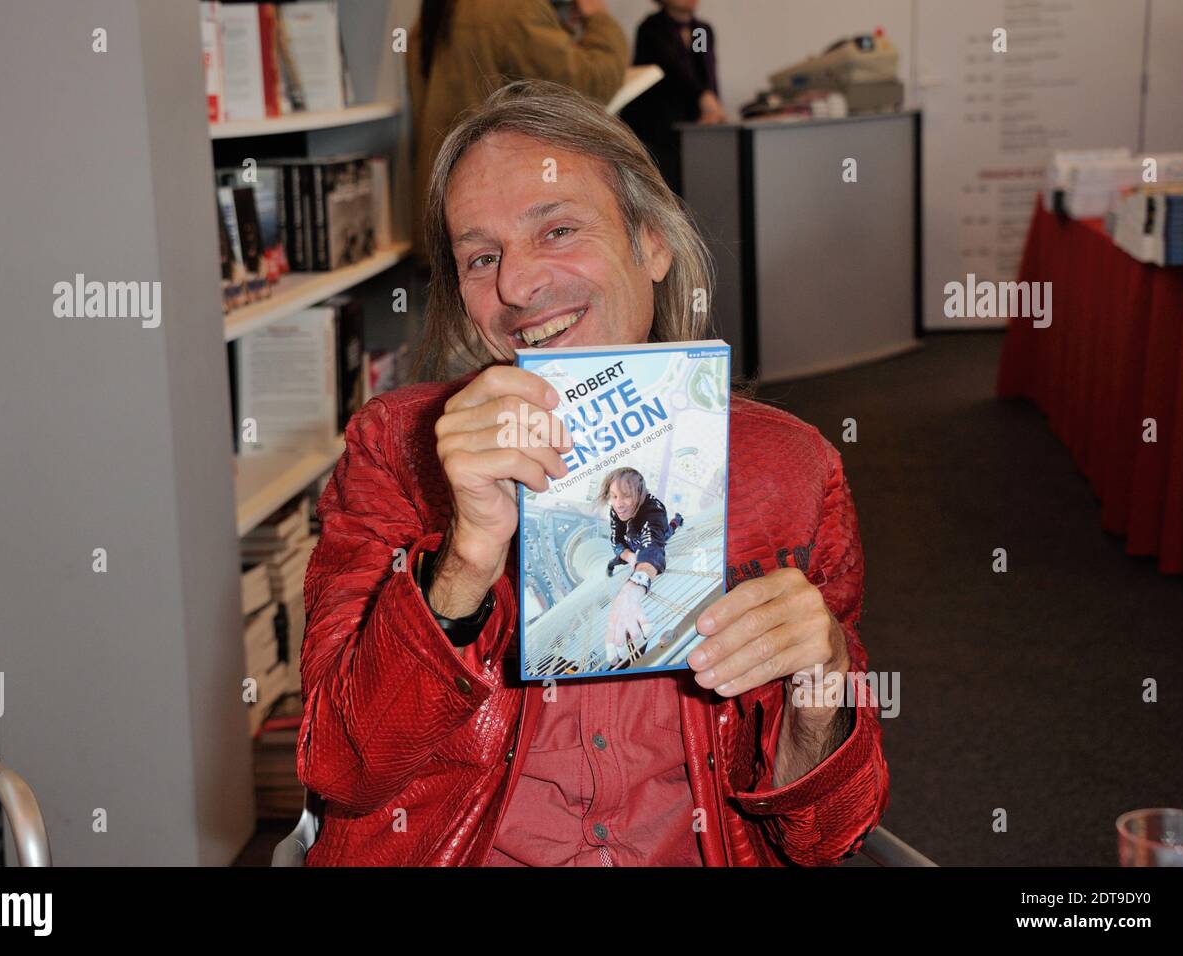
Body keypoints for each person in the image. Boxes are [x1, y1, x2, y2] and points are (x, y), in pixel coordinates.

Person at [298, 80, 888, 866]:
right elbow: (343, 768)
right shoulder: (400, 451)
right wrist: (464, 564)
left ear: (651, 242)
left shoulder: (789, 471)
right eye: (482, 257)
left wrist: (822, 693)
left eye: (559, 229)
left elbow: (825, 835)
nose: (515, 285)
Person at [405, 0, 629, 258]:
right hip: (504, 215)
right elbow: (592, 82)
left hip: (452, 213)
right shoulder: (512, 10)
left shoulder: (432, 18)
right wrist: (598, 17)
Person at [619, 0, 727, 195]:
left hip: (691, 128)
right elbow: (672, 69)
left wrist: (713, 105)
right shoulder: (652, 28)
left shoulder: (699, 31)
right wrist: (703, 97)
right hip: (658, 131)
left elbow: (704, 69)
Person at [598, 466, 682, 663]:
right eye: (613, 496)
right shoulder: (615, 509)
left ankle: (677, 520)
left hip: (649, 540)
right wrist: (630, 558)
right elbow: (616, 541)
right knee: (613, 561)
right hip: (632, 547)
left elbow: (653, 548)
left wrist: (635, 586)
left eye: (625, 496)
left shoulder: (654, 510)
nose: (618, 504)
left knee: (668, 532)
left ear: (639, 493)